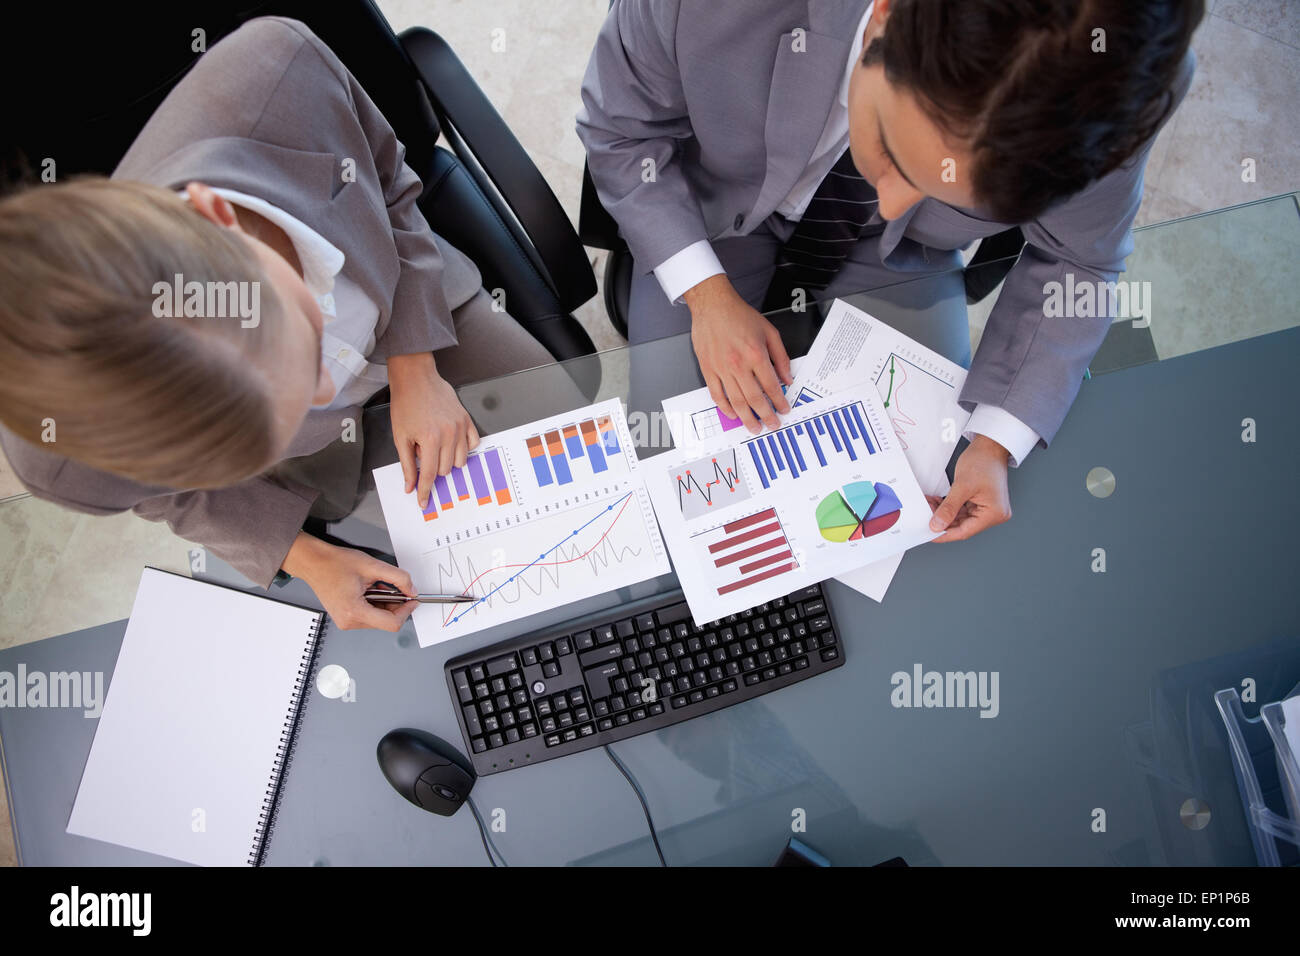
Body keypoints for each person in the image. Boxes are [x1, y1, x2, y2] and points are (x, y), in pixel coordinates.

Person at [0, 17, 558, 630]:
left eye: (300, 341)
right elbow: (166, 492)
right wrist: (308, 557)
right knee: (470, 583)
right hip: (321, 462)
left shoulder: (283, 74)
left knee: (579, 458)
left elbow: (392, 183)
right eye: (275, 412)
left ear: (218, 217)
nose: (324, 391)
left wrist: (414, 366)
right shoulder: (58, 457)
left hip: (410, 306)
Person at [578, 0, 1201, 541]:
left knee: (916, 498)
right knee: (674, 485)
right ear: (885, 17)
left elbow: (1079, 261)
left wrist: (992, 444)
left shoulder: (1113, 85)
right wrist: (706, 295)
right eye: (896, 155)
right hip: (709, 212)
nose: (893, 204)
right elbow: (620, 131)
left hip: (905, 256)